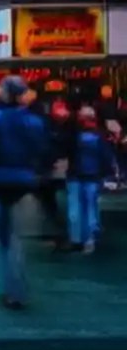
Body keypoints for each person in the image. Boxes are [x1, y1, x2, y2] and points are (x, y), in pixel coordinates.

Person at [0, 76, 48, 309]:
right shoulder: (33, 120)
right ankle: (18, 287)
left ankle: (13, 290)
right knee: (17, 234)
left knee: (6, 236)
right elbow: (42, 148)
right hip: (25, 179)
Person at [67, 107, 115, 253]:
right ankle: (90, 239)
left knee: (75, 208)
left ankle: (76, 239)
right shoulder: (100, 136)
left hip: (75, 175)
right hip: (93, 176)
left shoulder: (73, 135)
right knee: (91, 208)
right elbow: (106, 157)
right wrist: (108, 174)